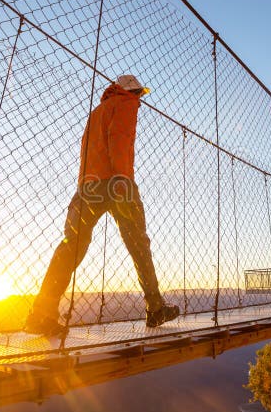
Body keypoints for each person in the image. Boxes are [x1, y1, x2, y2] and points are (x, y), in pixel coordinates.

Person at [26, 75, 180, 336]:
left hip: (88, 185)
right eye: (140, 95)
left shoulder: (97, 111)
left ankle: (41, 314)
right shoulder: (126, 103)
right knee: (138, 244)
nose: (140, 101)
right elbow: (119, 137)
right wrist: (122, 178)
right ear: (134, 92)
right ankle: (155, 308)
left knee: (72, 245)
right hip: (116, 183)